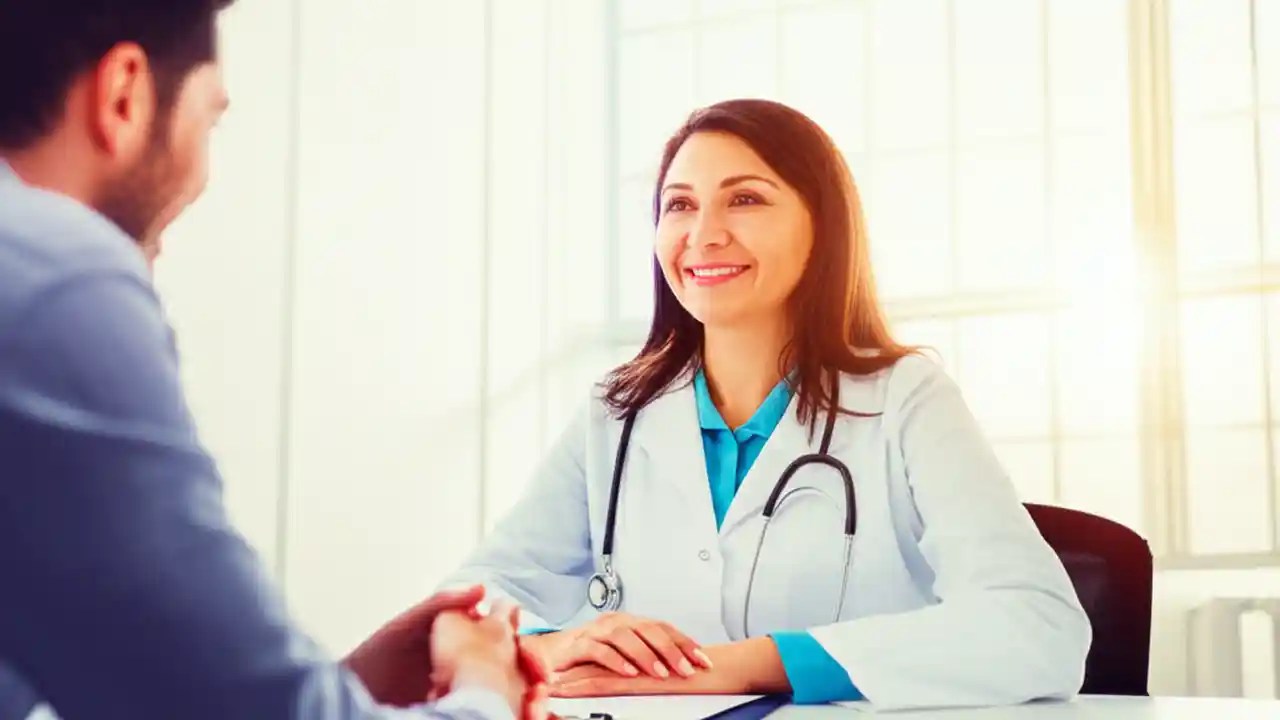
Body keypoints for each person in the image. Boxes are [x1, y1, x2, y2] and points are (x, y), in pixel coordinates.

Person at [441, 98, 1093, 711]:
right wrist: (556, 644)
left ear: (823, 225)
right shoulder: (617, 412)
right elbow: (460, 611)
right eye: (679, 205)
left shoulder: (905, 399)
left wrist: (747, 664)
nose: (704, 234)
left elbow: (1038, 627)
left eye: (745, 199)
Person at [0, 2, 548, 719]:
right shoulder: (55, 277)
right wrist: (485, 690)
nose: (205, 166)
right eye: (210, 118)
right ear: (125, 94)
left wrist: (335, 688)